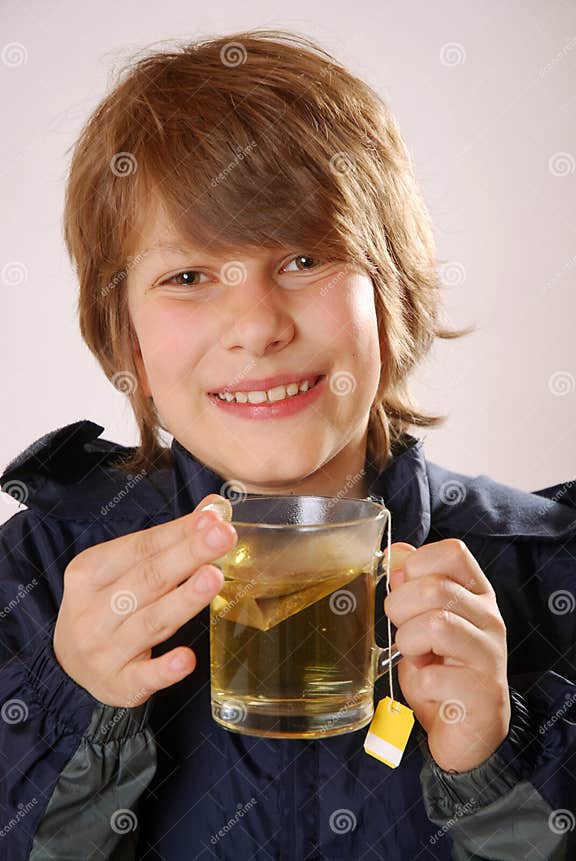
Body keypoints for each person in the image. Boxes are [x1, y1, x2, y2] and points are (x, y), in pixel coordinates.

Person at [1, 27, 575, 860]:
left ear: (390, 296)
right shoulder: (35, 580)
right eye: (188, 276)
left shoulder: (552, 573)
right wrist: (71, 710)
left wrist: (500, 764)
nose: (258, 327)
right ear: (129, 343)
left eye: (305, 258)